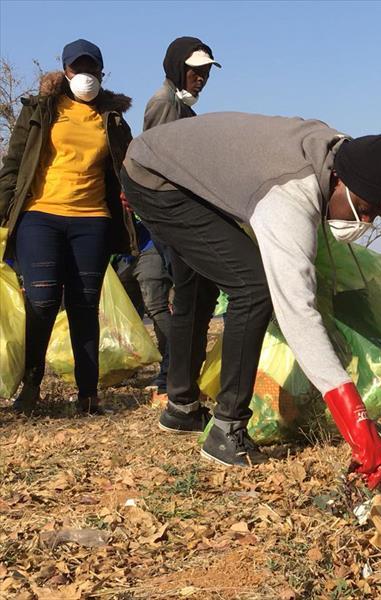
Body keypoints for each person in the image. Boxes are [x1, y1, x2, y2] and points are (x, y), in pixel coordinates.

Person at [119, 112, 381, 490]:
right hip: (156, 176)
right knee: (252, 287)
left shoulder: (337, 152)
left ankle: (181, 408)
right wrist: (358, 425)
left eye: (375, 215)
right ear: (339, 180)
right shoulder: (288, 196)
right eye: (364, 209)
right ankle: (227, 428)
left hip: (176, 167)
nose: (365, 221)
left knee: (207, 279)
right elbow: (298, 314)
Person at [0, 39, 135, 415]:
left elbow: (127, 169)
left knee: (84, 306)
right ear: (65, 72)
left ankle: (88, 396)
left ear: (101, 73)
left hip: (92, 220)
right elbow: (13, 166)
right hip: (39, 215)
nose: (84, 76)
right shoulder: (40, 109)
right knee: (41, 302)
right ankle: (31, 384)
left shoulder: (113, 118)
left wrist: (134, 197)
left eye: (91, 68)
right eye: (77, 69)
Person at [134, 36, 223, 398]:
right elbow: (159, 163)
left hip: (179, 216)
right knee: (188, 299)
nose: (200, 78)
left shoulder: (184, 109)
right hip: (173, 218)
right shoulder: (164, 104)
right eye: (193, 70)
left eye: (204, 72)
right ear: (176, 68)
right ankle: (173, 382)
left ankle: (179, 381)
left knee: (196, 298)